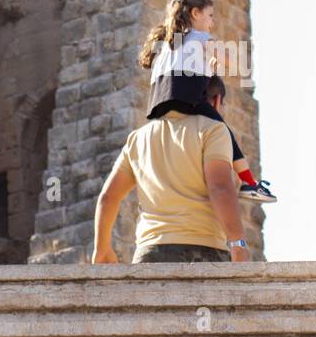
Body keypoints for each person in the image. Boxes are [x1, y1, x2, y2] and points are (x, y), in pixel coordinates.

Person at [92, 75, 251, 264]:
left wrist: (102, 249)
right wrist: (238, 245)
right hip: (204, 251)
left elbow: (108, 197)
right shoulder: (213, 130)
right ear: (217, 101)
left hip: (149, 255)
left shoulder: (138, 138)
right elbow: (220, 187)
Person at [137, 0, 276, 203]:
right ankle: (249, 182)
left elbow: (185, 69)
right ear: (195, 14)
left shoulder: (167, 44)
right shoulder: (200, 37)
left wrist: (210, 67)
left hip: (159, 103)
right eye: (210, 16)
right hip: (185, 97)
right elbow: (232, 62)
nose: (212, 22)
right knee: (223, 132)